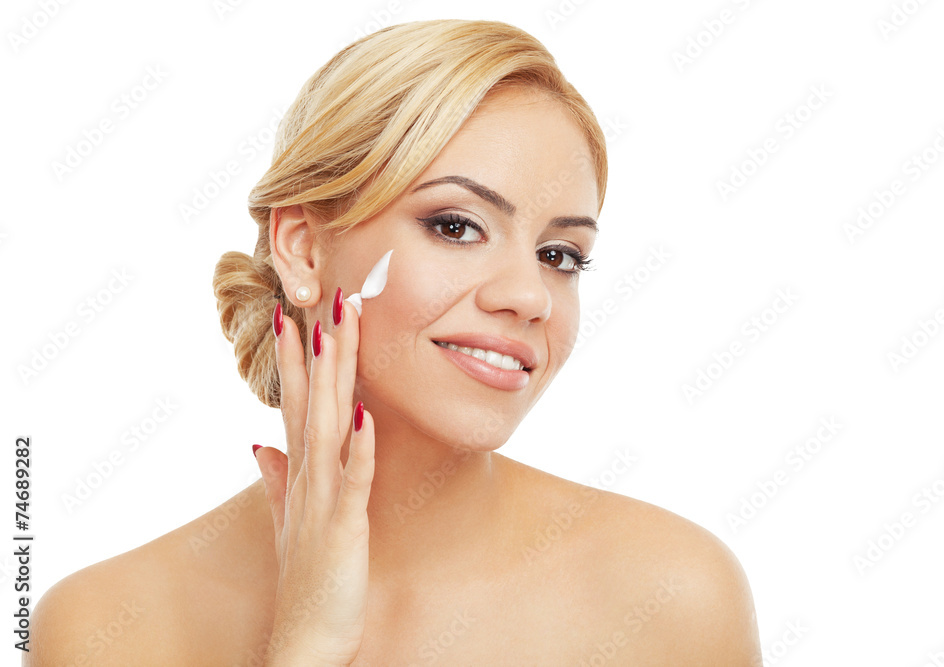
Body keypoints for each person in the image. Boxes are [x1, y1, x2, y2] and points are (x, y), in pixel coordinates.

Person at [27, 18, 762, 665]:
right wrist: (305, 648)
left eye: (559, 255)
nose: (530, 296)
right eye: (456, 226)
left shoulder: (672, 596)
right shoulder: (101, 629)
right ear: (303, 248)